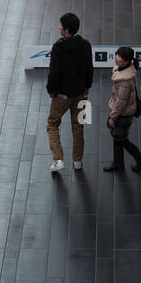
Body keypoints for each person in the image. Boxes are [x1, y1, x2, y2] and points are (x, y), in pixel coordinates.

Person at [45, 12, 93, 174]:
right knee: (78, 126)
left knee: (52, 124)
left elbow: (54, 72)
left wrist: (51, 90)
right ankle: (78, 161)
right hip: (81, 93)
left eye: (61, 25)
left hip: (61, 95)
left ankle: (58, 159)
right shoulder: (86, 45)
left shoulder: (58, 47)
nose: (59, 27)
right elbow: (89, 67)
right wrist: (87, 85)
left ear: (66, 29)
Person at [104, 47, 141, 174]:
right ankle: (118, 162)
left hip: (122, 114)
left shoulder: (125, 81)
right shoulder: (123, 69)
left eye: (120, 56)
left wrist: (113, 117)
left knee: (121, 140)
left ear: (127, 61)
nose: (116, 57)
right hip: (121, 112)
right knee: (117, 137)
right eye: (117, 54)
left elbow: (121, 102)